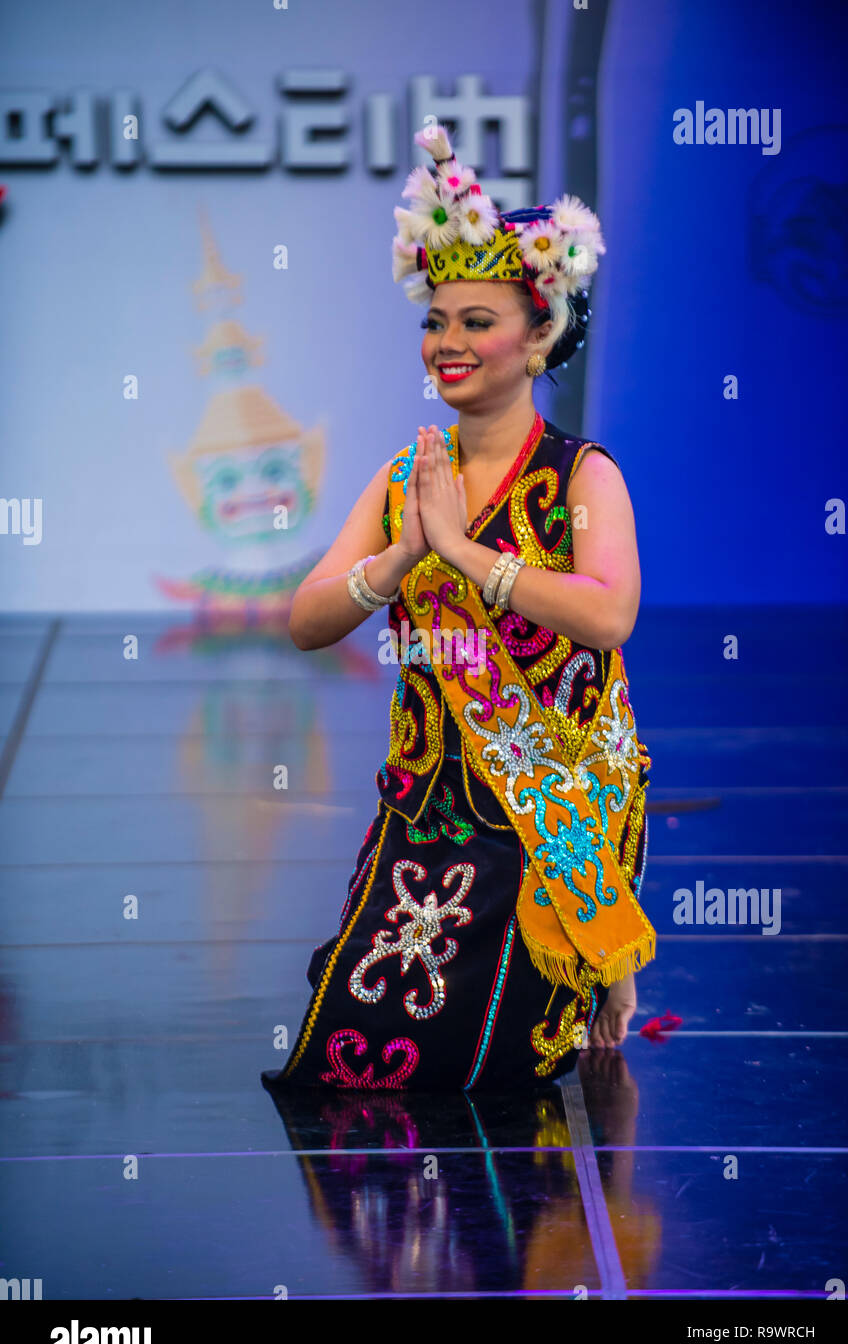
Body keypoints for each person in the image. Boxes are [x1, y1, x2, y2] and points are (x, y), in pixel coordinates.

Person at [263, 122, 655, 1093]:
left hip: (545, 823)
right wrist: (401, 555)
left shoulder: (582, 476)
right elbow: (304, 621)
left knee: (490, 1063)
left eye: (477, 321)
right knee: (345, 1052)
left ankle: (600, 950)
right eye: (436, 322)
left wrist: (466, 553)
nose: (448, 343)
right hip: (424, 821)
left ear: (541, 335)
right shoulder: (407, 479)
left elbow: (609, 619)